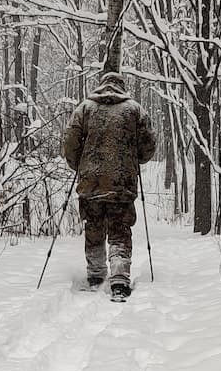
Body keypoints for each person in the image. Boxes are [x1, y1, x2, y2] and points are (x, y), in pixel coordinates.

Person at [62, 69, 156, 300]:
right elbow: (148, 146)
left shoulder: (85, 108)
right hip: (121, 183)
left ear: (101, 85)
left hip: (91, 182)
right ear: (122, 87)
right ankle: (120, 279)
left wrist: (80, 165)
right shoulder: (134, 110)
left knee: (94, 227)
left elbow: (70, 142)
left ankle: (95, 274)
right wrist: (134, 159)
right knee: (119, 231)